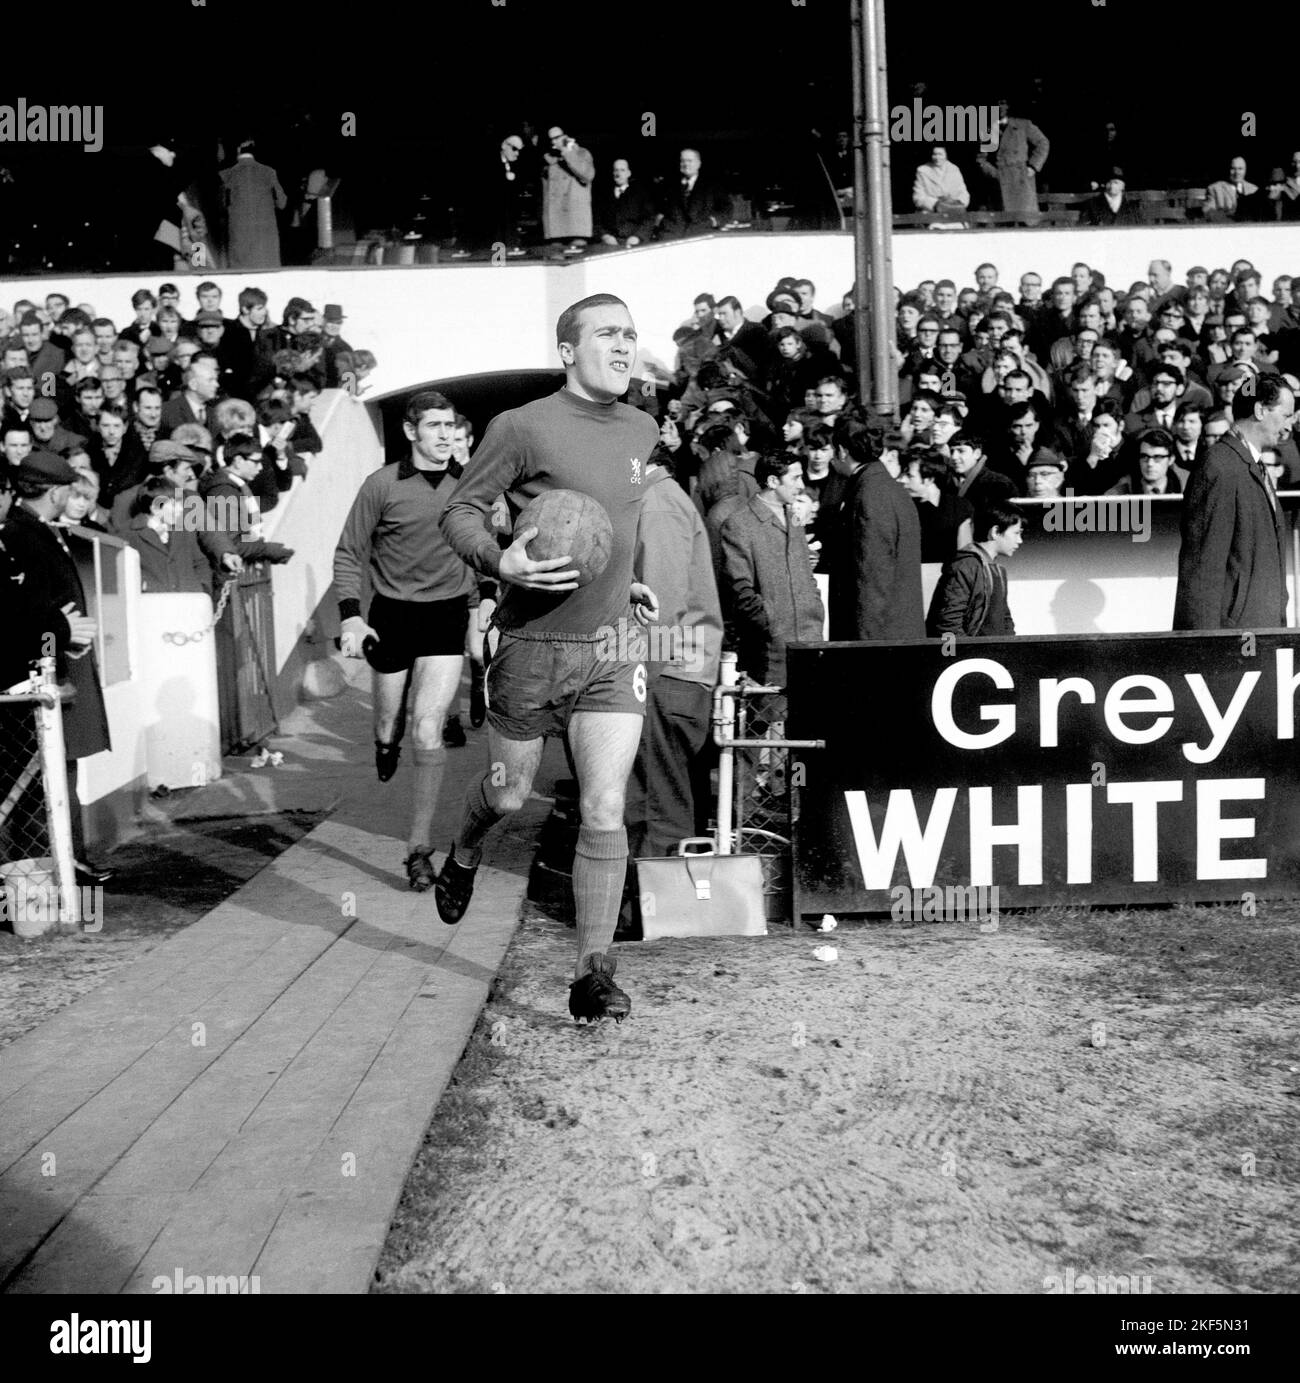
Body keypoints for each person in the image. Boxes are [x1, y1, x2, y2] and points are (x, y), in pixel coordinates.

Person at [436, 294, 661, 1024]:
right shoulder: (521, 426)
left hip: (613, 642)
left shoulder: (643, 426)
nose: (624, 346)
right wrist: (500, 559)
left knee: (604, 804)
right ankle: (465, 851)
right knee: (506, 796)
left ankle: (592, 971)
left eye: (630, 333)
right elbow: (460, 510)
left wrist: (630, 582)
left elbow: (612, 526)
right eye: (607, 334)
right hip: (532, 644)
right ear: (568, 349)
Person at [334, 391, 480, 890]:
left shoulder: (469, 488)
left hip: (444, 617)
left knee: (428, 729)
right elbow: (349, 553)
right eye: (433, 425)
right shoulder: (381, 486)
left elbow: (483, 553)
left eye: (449, 426)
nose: (443, 435)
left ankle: (419, 850)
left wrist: (481, 610)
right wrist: (352, 618)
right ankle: (382, 740)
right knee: (388, 720)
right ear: (410, 430)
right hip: (392, 615)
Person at [1, 450, 114, 883]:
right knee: (44, 777)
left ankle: (69, 861)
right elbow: (31, 611)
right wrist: (63, 643)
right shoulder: (23, 535)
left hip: (61, 667)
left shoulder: (38, 531)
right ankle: (52, 871)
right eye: (68, 485)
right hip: (46, 672)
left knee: (62, 768)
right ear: (55, 490)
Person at [623, 449, 723, 912]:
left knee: (653, 803)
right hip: (675, 673)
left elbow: (661, 605)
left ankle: (658, 911)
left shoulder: (656, 503)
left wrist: (642, 675)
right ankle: (661, 908)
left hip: (665, 674)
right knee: (660, 797)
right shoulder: (659, 499)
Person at [1173, 376, 1297, 630]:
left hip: (1258, 633)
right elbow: (1202, 568)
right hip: (1232, 640)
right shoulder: (1220, 467)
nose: (1289, 427)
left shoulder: (1248, 465)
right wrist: (1200, 647)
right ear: (1260, 410)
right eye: (1286, 416)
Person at [718, 452, 824, 687]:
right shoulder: (739, 524)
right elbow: (739, 589)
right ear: (773, 482)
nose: (801, 485)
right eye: (794, 478)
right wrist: (770, 624)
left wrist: (815, 610)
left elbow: (806, 575)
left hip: (810, 641)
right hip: (769, 652)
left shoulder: (794, 518)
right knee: (771, 719)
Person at [826, 415, 924, 640]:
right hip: (895, 631)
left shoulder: (869, 494)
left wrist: (867, 645)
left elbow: (872, 575)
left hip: (877, 638)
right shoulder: (890, 488)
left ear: (842, 451)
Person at [926, 503, 1024, 637]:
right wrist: (967, 654)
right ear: (995, 532)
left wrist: (1009, 648)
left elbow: (1004, 618)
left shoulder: (998, 571)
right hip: (971, 655)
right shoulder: (965, 566)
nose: (1019, 540)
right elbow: (948, 623)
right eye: (1016, 533)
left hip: (991, 653)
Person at [219, 140, 288, 269]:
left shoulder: (226, 175)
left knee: (241, 271)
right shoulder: (269, 172)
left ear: (237, 150)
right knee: (267, 270)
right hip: (265, 234)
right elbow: (282, 203)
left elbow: (222, 205)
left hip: (240, 234)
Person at [977, 97, 1050, 216]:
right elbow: (981, 159)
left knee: (1026, 220)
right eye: (996, 104)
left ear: (1009, 106)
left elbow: (1043, 143)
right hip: (1001, 181)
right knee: (1005, 222)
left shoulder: (1023, 125)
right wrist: (995, 174)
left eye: (1003, 103)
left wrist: (1033, 166)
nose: (1000, 107)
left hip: (1022, 178)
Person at [541, 125, 595, 256]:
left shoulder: (581, 153)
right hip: (555, 226)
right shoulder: (549, 159)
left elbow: (587, 176)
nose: (554, 142)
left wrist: (567, 151)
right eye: (551, 139)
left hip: (576, 224)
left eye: (557, 138)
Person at [658, 148, 729, 240]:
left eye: (690, 161)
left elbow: (726, 207)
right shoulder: (667, 184)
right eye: (682, 161)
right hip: (671, 236)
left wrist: (714, 221)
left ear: (699, 164)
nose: (686, 164)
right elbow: (657, 207)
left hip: (702, 235)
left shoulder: (712, 185)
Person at [593, 157, 657, 250]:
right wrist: (605, 236)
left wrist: (637, 237)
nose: (618, 174)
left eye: (622, 170)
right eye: (616, 170)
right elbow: (596, 222)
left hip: (635, 243)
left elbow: (649, 219)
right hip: (608, 244)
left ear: (628, 173)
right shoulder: (603, 196)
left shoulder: (641, 194)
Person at [911, 145, 970, 220]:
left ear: (946, 155)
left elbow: (964, 193)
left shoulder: (954, 169)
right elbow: (917, 197)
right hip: (931, 213)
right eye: (934, 154)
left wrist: (958, 204)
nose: (937, 158)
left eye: (940, 154)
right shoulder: (922, 171)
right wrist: (936, 204)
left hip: (954, 213)